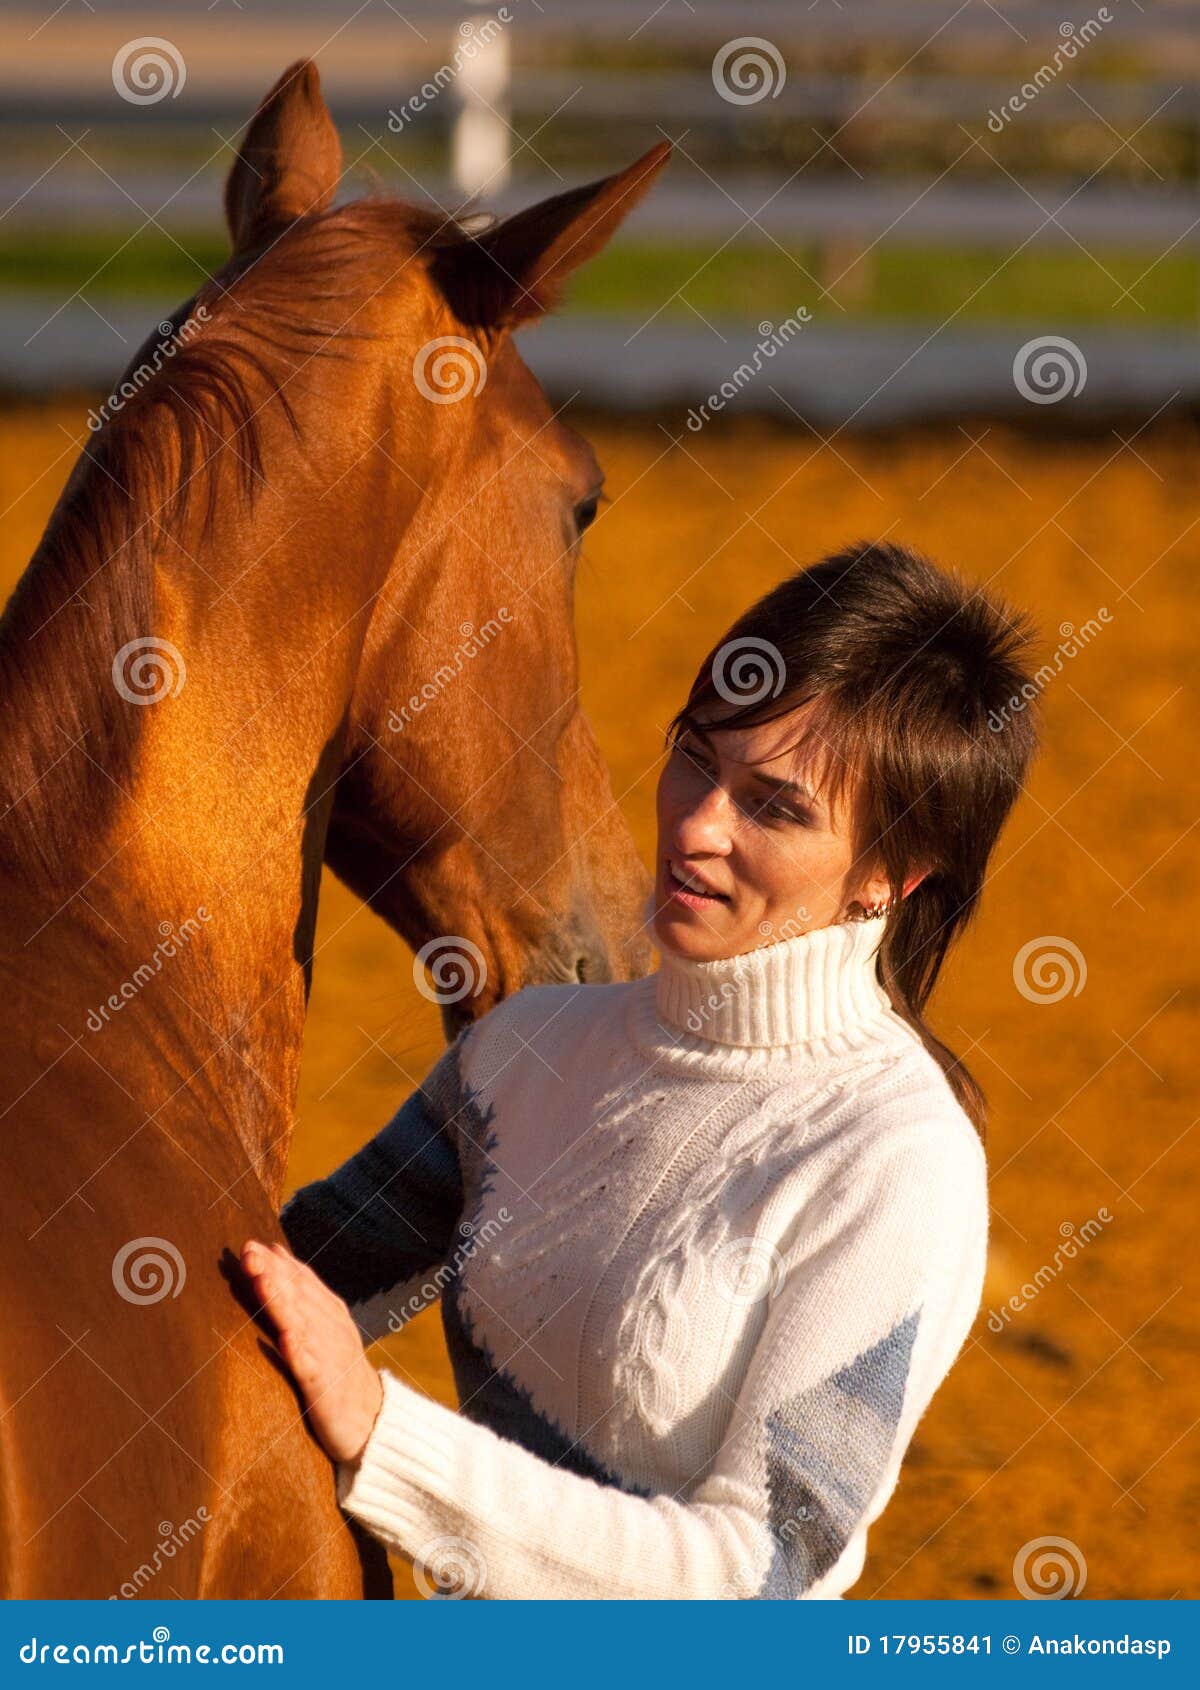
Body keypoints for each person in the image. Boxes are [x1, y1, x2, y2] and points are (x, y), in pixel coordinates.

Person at [242, 539, 1039, 1599]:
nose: (696, 826)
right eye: (697, 758)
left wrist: (386, 1441)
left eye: (775, 805)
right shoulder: (523, 1050)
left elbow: (753, 1573)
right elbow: (300, 1279)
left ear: (890, 875)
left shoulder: (898, 1162)